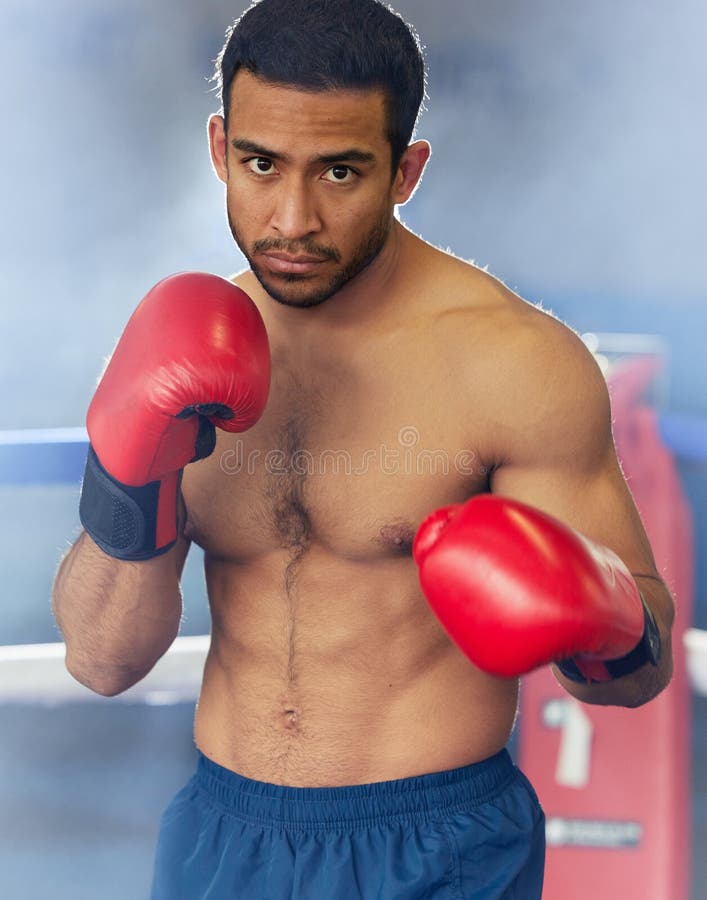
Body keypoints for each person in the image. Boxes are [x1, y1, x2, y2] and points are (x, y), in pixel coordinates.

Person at [51, 1, 675, 897]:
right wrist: (128, 478)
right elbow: (101, 660)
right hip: (224, 834)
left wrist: (601, 614)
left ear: (405, 171)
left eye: (339, 171)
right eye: (261, 164)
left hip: (434, 848)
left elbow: (634, 682)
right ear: (220, 148)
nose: (293, 219)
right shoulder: (182, 349)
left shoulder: (512, 364)